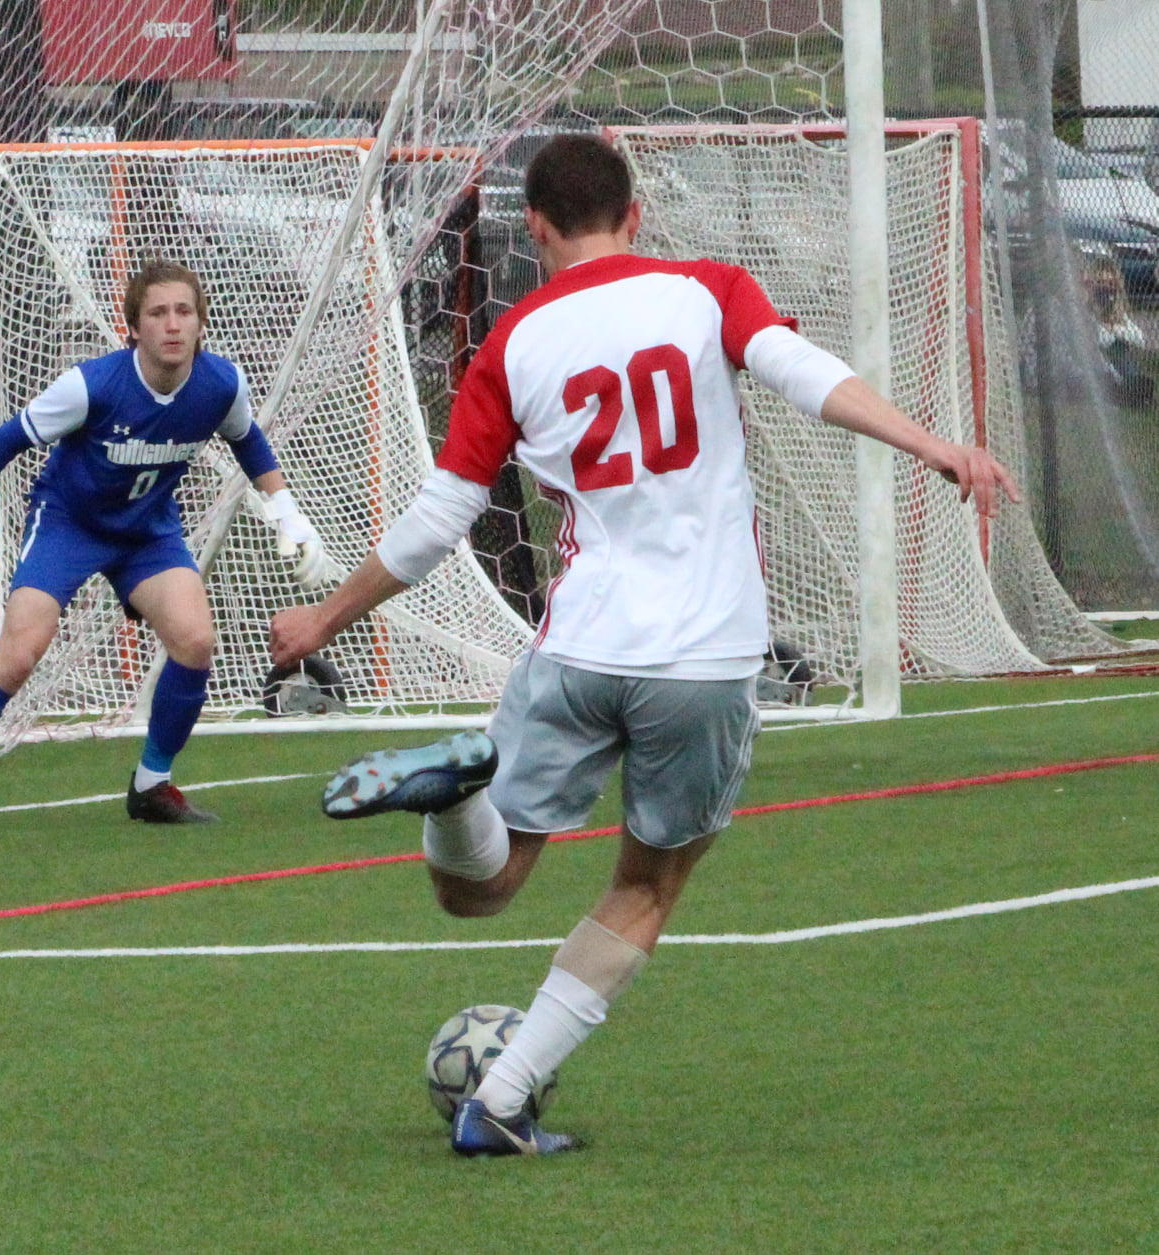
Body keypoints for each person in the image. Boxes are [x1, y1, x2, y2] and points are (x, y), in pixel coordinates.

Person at [270, 135, 1020, 1156]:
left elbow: (439, 519)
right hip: (705, 659)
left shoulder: (511, 343)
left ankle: (456, 796)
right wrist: (933, 443)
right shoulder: (705, 289)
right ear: (636, 213)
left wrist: (323, 619)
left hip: (581, 646)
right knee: (645, 886)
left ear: (534, 228)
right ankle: (502, 1103)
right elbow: (805, 373)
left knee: (474, 887)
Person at [0, 258, 329, 840]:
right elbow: (10, 437)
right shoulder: (90, 385)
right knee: (19, 653)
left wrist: (287, 513)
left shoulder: (221, 385)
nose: (172, 324)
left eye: (183, 311)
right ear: (133, 327)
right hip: (69, 524)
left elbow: (249, 441)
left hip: (148, 533)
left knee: (195, 641)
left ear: (200, 322)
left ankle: (151, 786)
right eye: (157, 313)